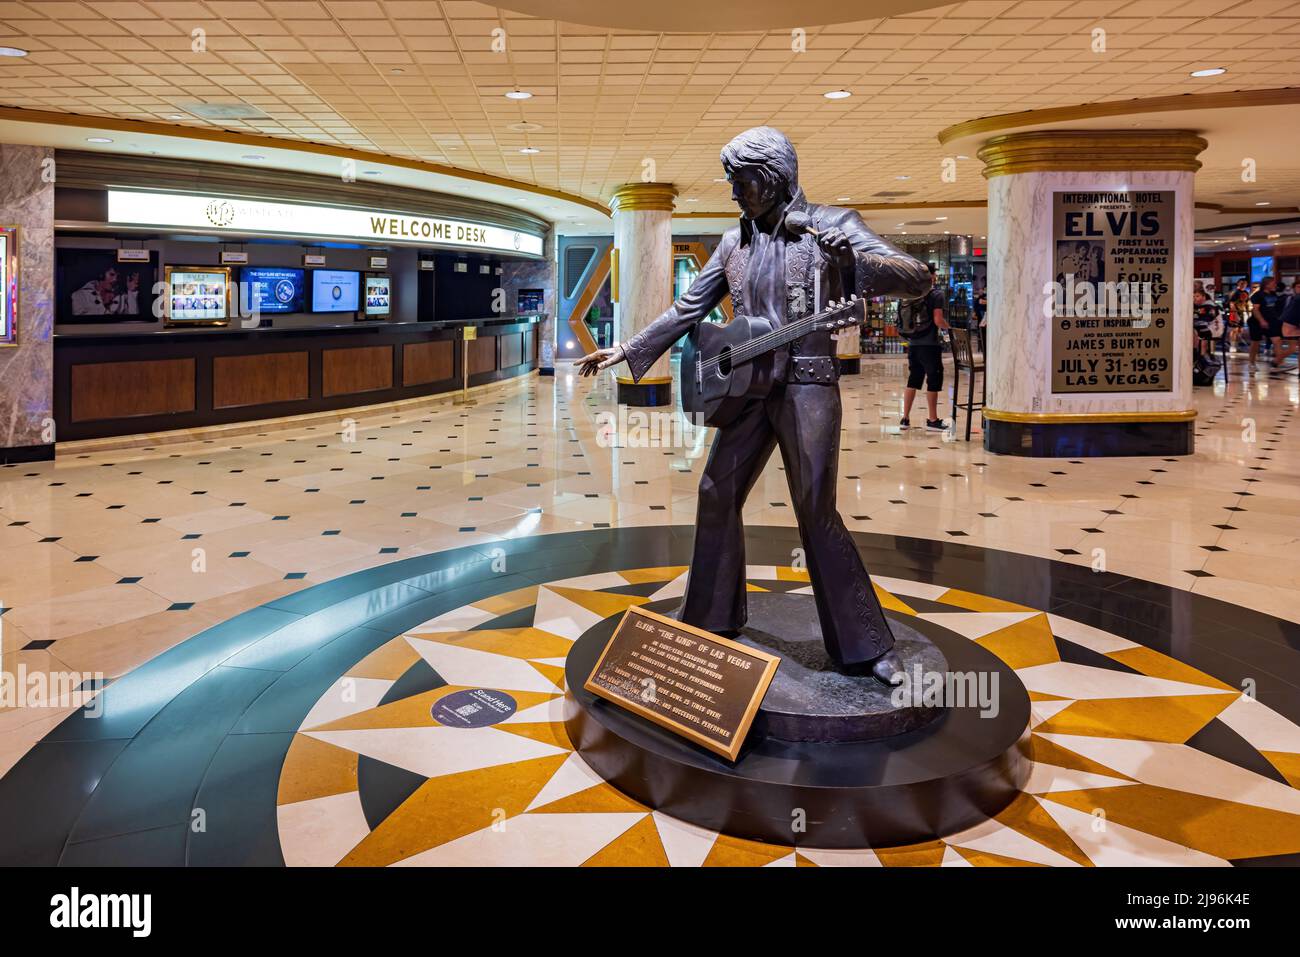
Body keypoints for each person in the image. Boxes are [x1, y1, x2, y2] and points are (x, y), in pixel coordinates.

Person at [577, 126, 931, 684]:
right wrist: (627, 348)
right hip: (748, 388)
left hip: (806, 386)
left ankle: (866, 646)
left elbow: (916, 279)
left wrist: (856, 263)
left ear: (770, 178)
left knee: (814, 509)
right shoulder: (731, 244)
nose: (733, 192)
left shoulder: (833, 225)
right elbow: (689, 308)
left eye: (740, 181)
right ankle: (712, 617)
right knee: (715, 491)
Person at [900, 262, 950, 430]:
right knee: (933, 381)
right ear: (931, 276)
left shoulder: (911, 294)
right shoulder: (936, 295)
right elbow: (938, 320)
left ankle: (905, 418)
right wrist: (948, 327)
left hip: (913, 344)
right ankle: (933, 419)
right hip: (930, 345)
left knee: (913, 380)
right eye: (934, 273)